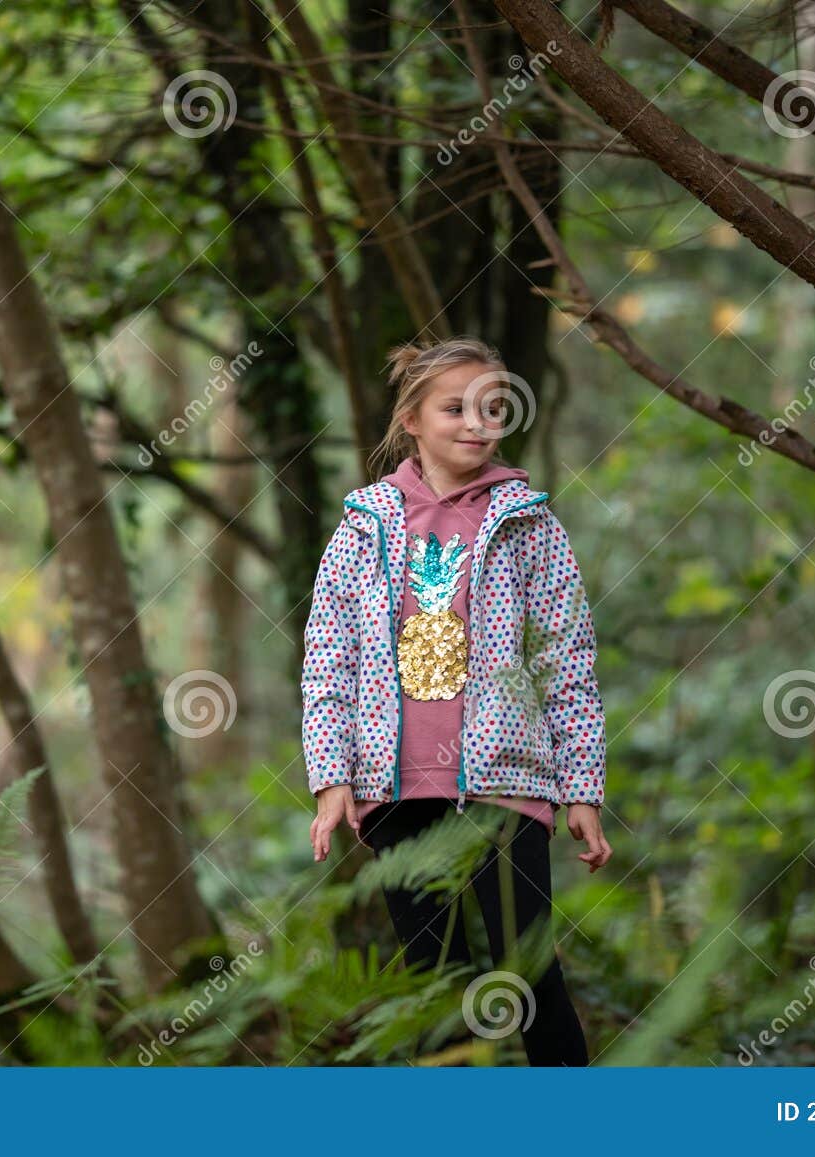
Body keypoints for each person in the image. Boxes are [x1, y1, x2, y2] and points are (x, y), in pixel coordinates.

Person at [301, 335, 612, 1066]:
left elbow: (566, 661)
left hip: (505, 782)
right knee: (433, 986)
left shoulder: (530, 525)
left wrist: (582, 788)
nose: (477, 422)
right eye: (454, 407)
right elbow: (328, 660)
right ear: (411, 417)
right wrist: (331, 779)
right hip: (396, 786)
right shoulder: (362, 527)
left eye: (491, 407)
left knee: (528, 972)